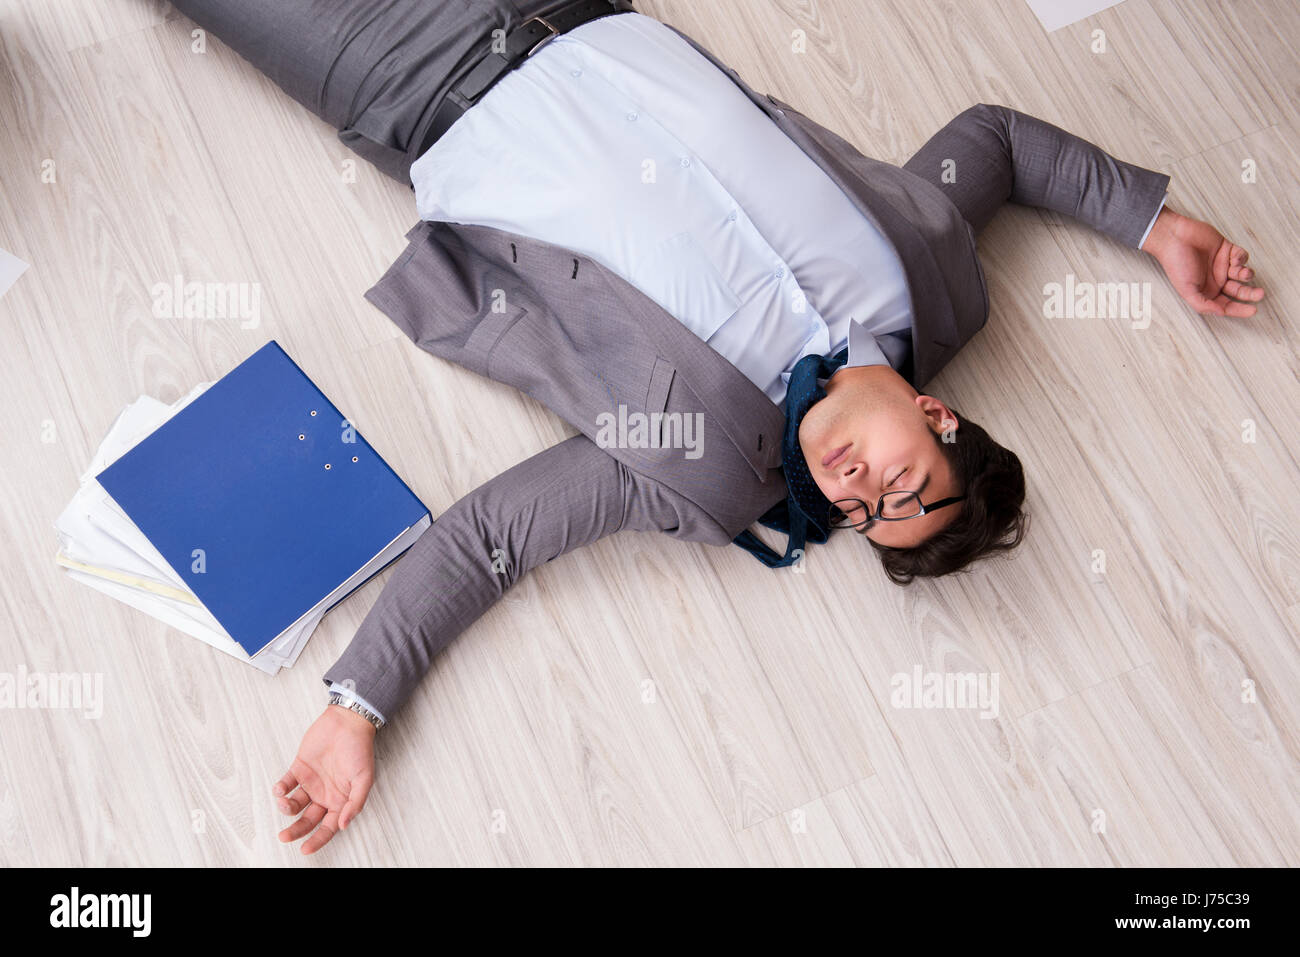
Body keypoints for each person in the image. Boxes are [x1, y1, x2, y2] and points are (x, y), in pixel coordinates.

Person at [163, 0, 1264, 854]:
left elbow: (491, 537)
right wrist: (1154, 223)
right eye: (900, 483)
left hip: (409, 75)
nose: (854, 490)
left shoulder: (706, 466)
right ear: (935, 413)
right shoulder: (928, 278)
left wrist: (357, 707)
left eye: (864, 516)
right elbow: (1001, 143)